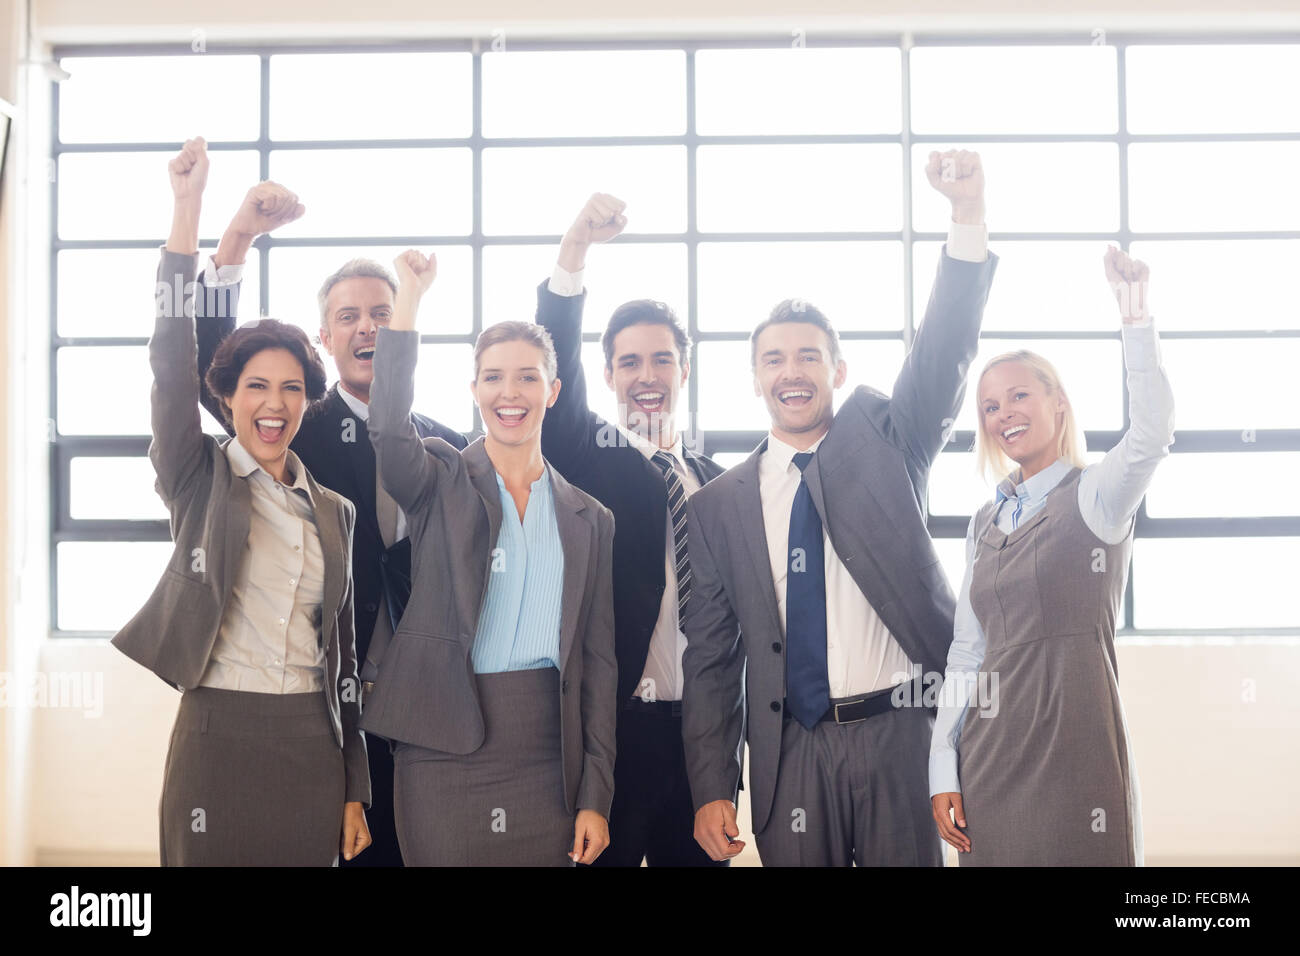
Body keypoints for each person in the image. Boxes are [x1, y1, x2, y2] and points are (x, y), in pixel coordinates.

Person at [681, 150, 998, 866]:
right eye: (774, 359)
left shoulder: (890, 440)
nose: (791, 372)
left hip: (899, 735)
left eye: (808, 356)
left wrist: (966, 216)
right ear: (757, 377)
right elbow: (708, 660)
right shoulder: (717, 507)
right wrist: (710, 784)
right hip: (790, 747)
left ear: (838, 371)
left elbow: (944, 354)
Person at [190, 166, 467, 868]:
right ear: (326, 336)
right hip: (331, 694)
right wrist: (236, 240)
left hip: (434, 693)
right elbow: (211, 371)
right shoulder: (295, 429)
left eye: (383, 312)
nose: (368, 326)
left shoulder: (451, 445)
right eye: (350, 316)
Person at [112, 136, 371, 866]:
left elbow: (344, 659)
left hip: (311, 745)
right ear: (226, 398)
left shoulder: (334, 513)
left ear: (307, 402)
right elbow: (171, 362)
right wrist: (188, 209)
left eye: (291, 387)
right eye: (256, 385)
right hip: (213, 737)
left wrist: (355, 785)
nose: (274, 403)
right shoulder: (198, 475)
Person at [358, 247, 618, 866]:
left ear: (552, 391)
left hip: (548, 755)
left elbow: (599, 664)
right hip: (443, 741)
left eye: (528, 376)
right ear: (473, 388)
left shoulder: (591, 518)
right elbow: (389, 431)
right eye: (494, 377)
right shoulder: (439, 479)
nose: (511, 392)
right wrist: (411, 301)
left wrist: (596, 794)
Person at [929, 246, 1174, 866]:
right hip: (989, 759)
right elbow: (967, 652)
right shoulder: (984, 523)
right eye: (989, 407)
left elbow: (1151, 434)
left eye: (1018, 397)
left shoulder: (1096, 496)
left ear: (1057, 401)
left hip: (1075, 751)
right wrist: (942, 765)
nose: (1004, 414)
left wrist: (1136, 319)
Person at [533, 194, 728, 867]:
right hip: (615, 736)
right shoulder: (591, 456)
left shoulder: (716, 479)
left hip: (704, 742)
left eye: (662, 360)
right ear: (609, 373)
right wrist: (574, 252)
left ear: (684, 368)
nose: (648, 376)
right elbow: (553, 359)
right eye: (631, 363)